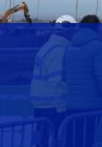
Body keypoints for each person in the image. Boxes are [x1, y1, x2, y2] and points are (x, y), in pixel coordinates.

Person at [63, 15, 102, 147]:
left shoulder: (69, 47)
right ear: (97, 28)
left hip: (72, 104)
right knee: (87, 140)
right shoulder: (98, 47)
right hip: (91, 104)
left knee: (72, 140)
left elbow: (64, 74)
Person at [30, 15, 75, 146]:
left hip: (40, 105)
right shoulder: (59, 51)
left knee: (41, 141)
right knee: (53, 141)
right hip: (52, 108)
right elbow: (57, 83)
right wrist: (62, 110)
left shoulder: (46, 47)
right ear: (68, 32)